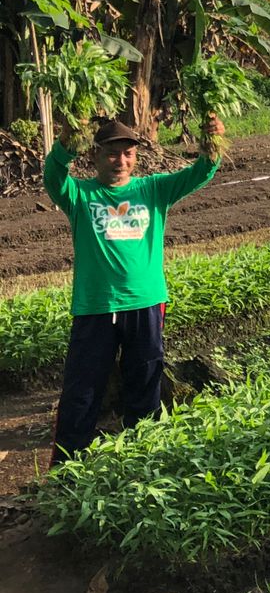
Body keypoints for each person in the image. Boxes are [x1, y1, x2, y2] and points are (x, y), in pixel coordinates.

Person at [45, 116, 224, 466]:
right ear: (96, 155)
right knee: (82, 391)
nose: (121, 161)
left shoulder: (153, 190)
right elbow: (53, 178)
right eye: (112, 154)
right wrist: (65, 144)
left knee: (144, 385)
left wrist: (213, 142)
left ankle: (143, 460)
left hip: (146, 303)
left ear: (136, 156)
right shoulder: (80, 195)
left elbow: (200, 172)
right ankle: (67, 469)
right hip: (95, 307)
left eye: (128, 154)